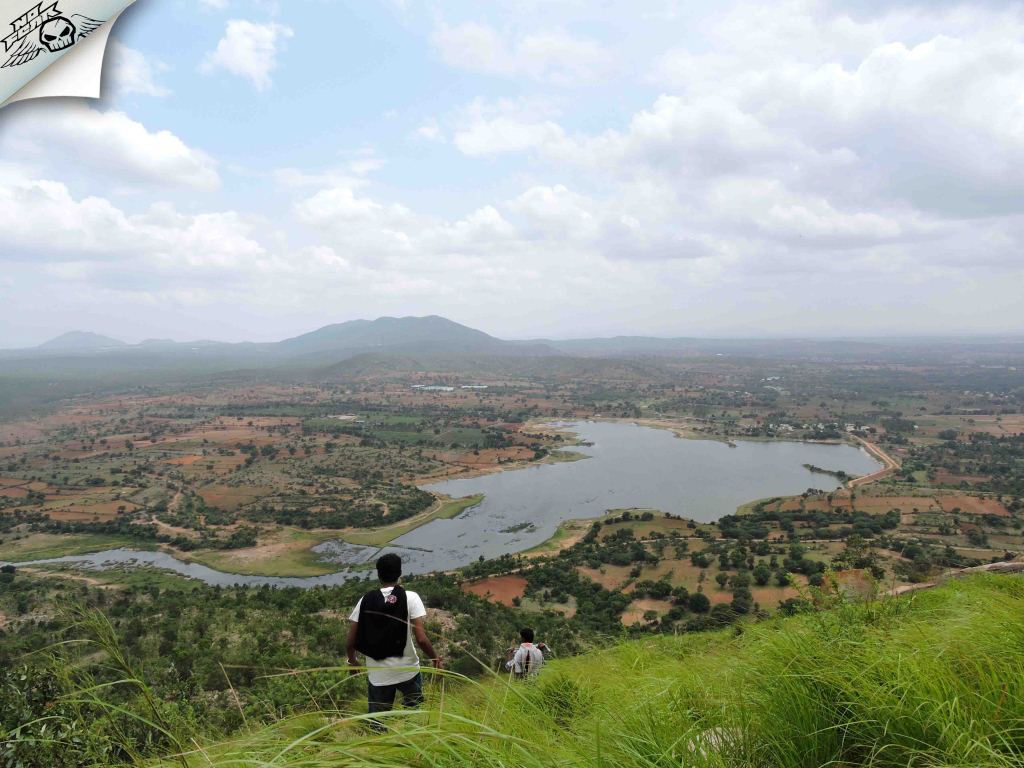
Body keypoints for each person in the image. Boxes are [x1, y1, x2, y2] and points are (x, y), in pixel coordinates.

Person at [346, 553, 442, 727]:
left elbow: (350, 641)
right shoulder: (410, 597)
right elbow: (421, 639)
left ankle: (379, 750)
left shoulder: (365, 600)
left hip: (379, 676)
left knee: (377, 725)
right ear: (399, 573)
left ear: (378, 574)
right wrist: (435, 659)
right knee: (415, 721)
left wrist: (352, 661)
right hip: (409, 671)